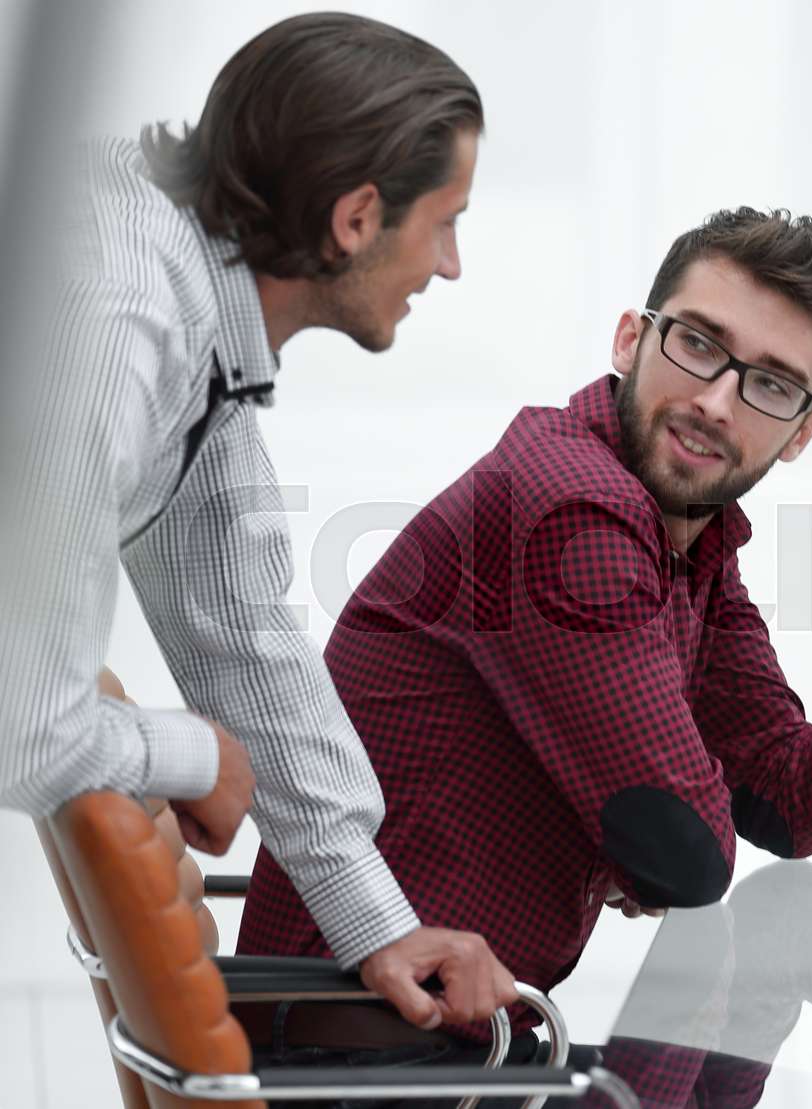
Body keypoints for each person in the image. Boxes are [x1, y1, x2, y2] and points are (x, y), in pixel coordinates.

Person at [238, 208, 812, 1048]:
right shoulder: (572, 508)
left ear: (802, 433)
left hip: (469, 1038)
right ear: (628, 341)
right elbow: (688, 851)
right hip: (361, 1050)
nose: (718, 402)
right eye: (697, 343)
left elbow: (781, 792)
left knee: (760, 965)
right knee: (741, 965)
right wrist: (643, 838)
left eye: (769, 383)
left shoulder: (696, 540)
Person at [0, 13, 517, 1031]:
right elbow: (23, 723)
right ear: (359, 216)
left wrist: (377, 924)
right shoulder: (119, 319)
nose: (450, 265)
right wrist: (192, 753)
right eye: (444, 221)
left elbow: (242, 624)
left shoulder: (187, 294)